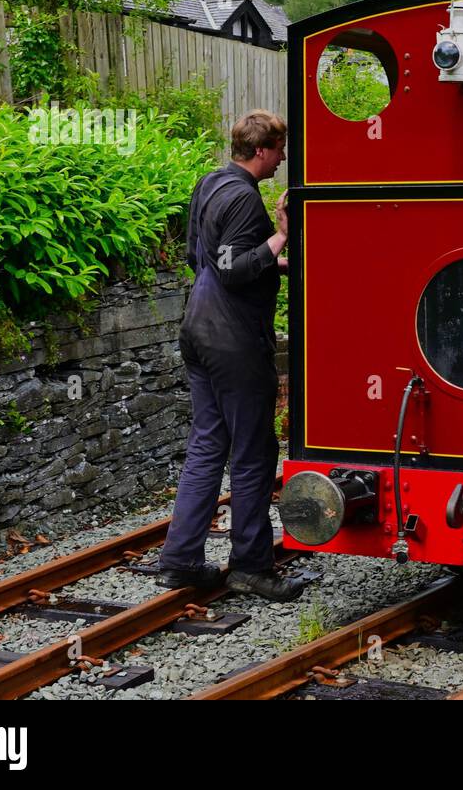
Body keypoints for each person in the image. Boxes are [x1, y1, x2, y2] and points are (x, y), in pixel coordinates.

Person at [157, 110, 304, 602]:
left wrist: (276, 263)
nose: (283, 158)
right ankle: (251, 567)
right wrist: (282, 234)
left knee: (206, 444)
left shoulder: (210, 183)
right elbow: (234, 269)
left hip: (197, 327)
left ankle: (180, 560)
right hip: (234, 339)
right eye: (280, 149)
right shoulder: (243, 197)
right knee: (253, 455)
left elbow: (203, 256)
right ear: (262, 150)